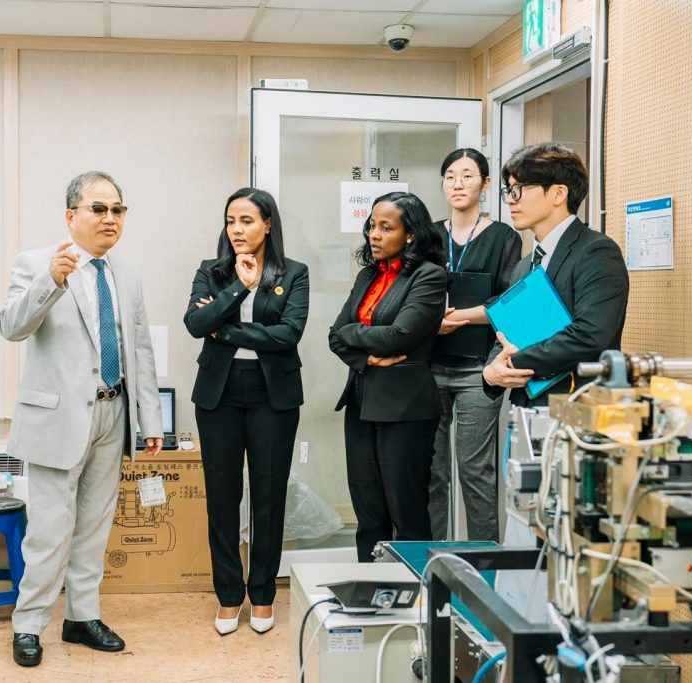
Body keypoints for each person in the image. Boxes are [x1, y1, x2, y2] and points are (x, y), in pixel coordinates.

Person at [0, 171, 163, 668]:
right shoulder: (37, 263)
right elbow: (11, 327)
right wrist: (52, 279)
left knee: (94, 525)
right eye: (99, 209)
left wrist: (150, 420)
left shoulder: (127, 274)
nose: (110, 218)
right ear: (71, 215)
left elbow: (139, 348)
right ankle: (29, 624)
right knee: (50, 528)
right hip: (57, 418)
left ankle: (80, 617)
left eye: (118, 210)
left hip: (114, 413)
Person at [184, 188, 309, 635]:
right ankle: (229, 596)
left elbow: (289, 334)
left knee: (269, 497)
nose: (237, 229)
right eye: (231, 220)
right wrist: (241, 287)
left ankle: (261, 595)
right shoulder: (211, 272)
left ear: (268, 224)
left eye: (247, 221)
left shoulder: (295, 273)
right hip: (218, 394)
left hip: (272, 395)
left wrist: (226, 331)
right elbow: (196, 324)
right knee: (221, 499)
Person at [329, 191, 448, 561]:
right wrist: (367, 355)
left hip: (405, 408)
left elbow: (400, 335)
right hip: (362, 401)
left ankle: (416, 604)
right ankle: (372, 591)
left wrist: (354, 334)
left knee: (406, 513)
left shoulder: (429, 276)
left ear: (410, 234)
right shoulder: (369, 275)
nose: (373, 235)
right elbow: (335, 334)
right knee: (369, 514)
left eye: (385, 228)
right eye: (371, 227)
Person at [482, 142, 629, 405]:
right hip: (526, 406)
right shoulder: (525, 264)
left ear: (559, 193)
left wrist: (514, 362)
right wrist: (492, 371)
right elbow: (509, 333)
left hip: (577, 403)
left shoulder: (596, 251)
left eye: (519, 189)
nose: (509, 199)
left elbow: (591, 335)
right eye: (509, 190)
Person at [428, 149, 522, 542]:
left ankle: (486, 568)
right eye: (450, 176)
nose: (457, 183)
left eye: (467, 176)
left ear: (485, 184)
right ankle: (427, 565)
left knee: (474, 468)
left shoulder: (504, 237)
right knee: (429, 471)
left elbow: (509, 303)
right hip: (429, 368)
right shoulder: (431, 235)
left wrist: (461, 315)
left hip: (478, 372)